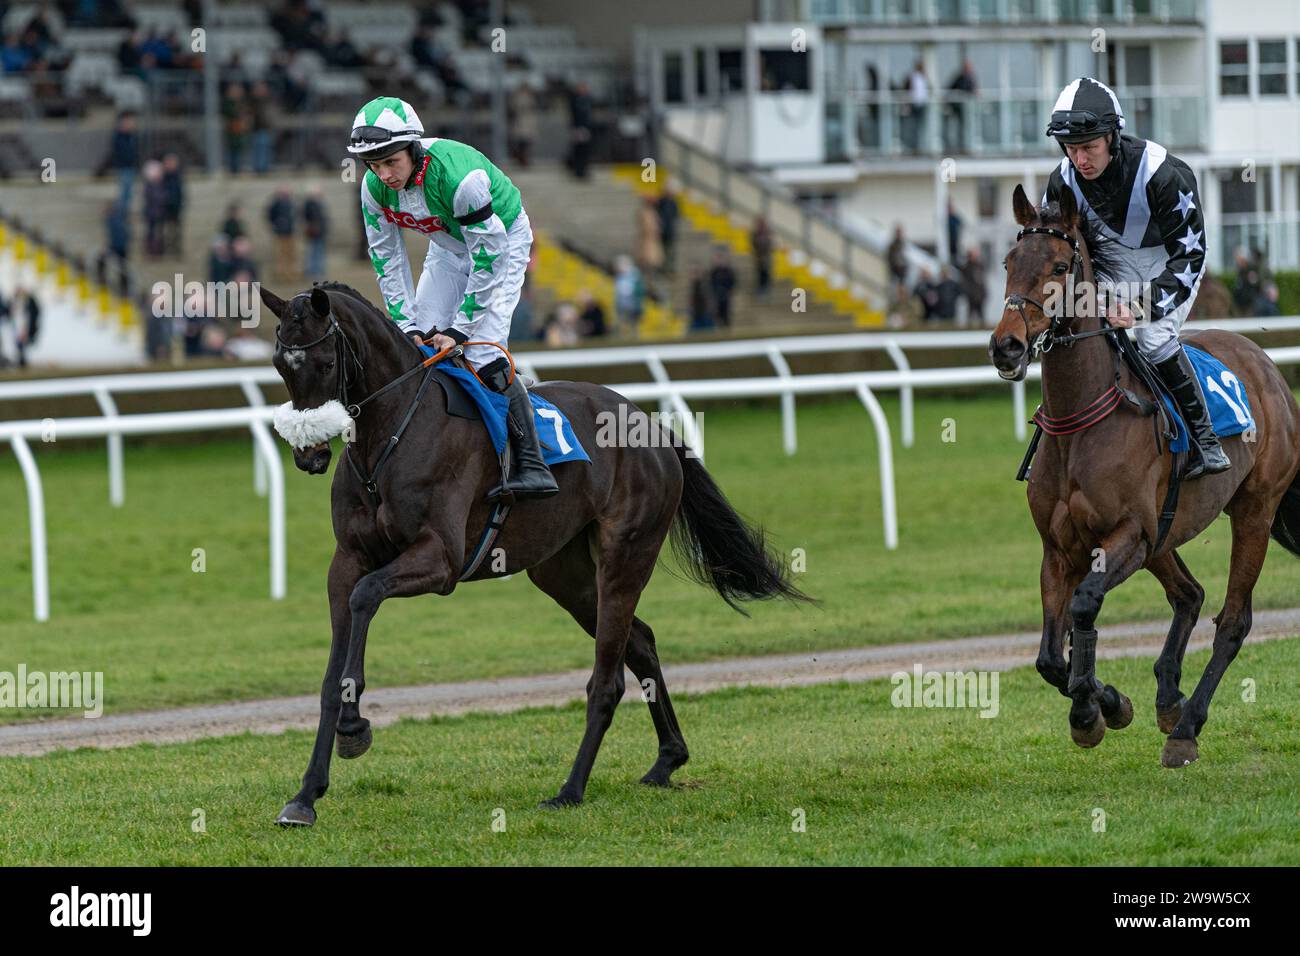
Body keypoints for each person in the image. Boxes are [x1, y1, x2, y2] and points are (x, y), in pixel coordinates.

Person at [349, 95, 557, 497]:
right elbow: (386, 259)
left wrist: (461, 329)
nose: (384, 174)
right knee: (420, 347)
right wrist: (405, 323)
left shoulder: (460, 179)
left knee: (481, 353)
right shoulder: (373, 189)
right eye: (374, 164)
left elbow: (489, 257)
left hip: (502, 246)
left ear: (412, 148)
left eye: (391, 161)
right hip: (447, 250)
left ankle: (533, 464)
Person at [1041, 76, 1228, 478]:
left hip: (1172, 261)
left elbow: (1190, 252)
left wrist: (1140, 307)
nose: (1081, 160)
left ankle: (1205, 440)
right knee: (1080, 329)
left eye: (1089, 148)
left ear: (1112, 137)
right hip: (1112, 266)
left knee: (1153, 337)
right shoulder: (1061, 182)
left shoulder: (1162, 174)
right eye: (1072, 149)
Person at [267, 187, 297, 282]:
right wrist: (275, 225)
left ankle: (290, 275)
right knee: (280, 256)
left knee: (290, 255)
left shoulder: (291, 203)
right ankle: (280, 276)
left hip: (290, 233)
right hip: (279, 234)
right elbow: (270, 216)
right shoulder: (275, 204)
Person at [302, 185, 328, 280]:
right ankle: (312, 271)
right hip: (313, 233)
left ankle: (318, 270)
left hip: (320, 232)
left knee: (319, 251)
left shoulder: (319, 204)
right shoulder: (309, 205)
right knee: (313, 252)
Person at [708, 248, 737, 327]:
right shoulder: (713, 272)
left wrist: (727, 291)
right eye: (718, 257)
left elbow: (732, 282)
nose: (719, 260)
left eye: (721, 257)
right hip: (716, 298)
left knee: (726, 317)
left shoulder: (728, 271)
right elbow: (710, 284)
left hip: (726, 297)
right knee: (717, 317)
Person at [656, 184, 680, 273]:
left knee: (670, 251)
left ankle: (670, 269)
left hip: (670, 231)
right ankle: (662, 268)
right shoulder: (661, 202)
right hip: (661, 232)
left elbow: (676, 215)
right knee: (661, 251)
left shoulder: (674, 203)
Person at [751, 217, 773, 298]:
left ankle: (766, 289)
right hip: (759, 258)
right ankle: (760, 289)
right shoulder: (755, 234)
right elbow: (753, 244)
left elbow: (770, 246)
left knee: (766, 274)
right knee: (760, 274)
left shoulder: (767, 234)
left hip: (766, 258)